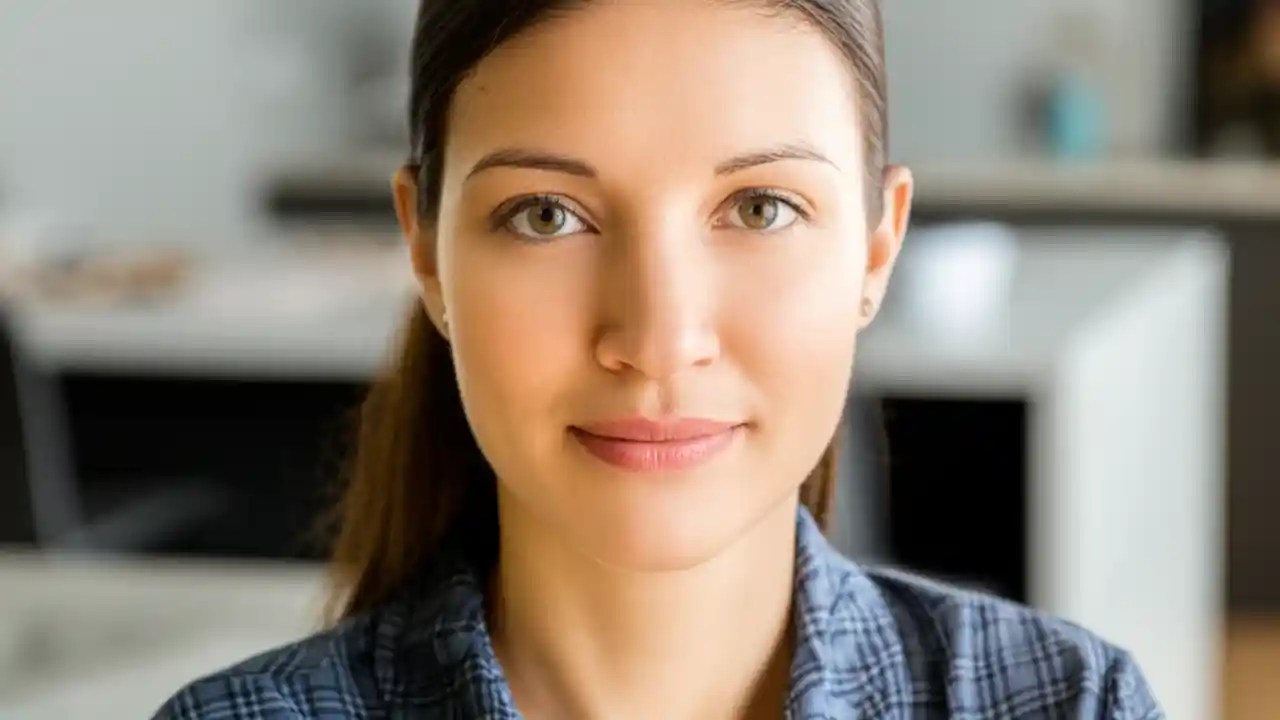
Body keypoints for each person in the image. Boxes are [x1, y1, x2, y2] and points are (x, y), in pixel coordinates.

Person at [155, 1, 1162, 717]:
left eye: (759, 207)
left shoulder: (1068, 705)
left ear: (873, 247)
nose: (657, 338)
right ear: (426, 252)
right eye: (546, 215)